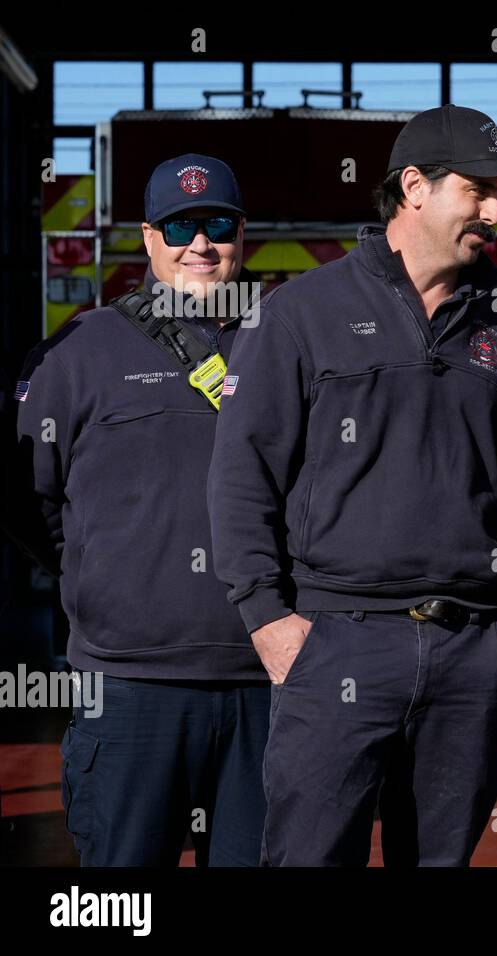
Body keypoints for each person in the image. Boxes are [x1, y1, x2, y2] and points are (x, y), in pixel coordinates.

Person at [207, 106, 497, 866]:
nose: (495, 211)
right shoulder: (300, 314)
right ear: (414, 188)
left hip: (469, 650)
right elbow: (241, 475)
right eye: (479, 190)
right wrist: (267, 618)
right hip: (337, 643)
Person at [14, 154, 268, 865]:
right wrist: (107, 576)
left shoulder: (288, 341)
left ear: (242, 232)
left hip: (269, 683)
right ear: (149, 239)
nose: (201, 243)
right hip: (129, 690)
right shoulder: (79, 354)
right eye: (181, 226)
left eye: (218, 223)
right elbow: (30, 500)